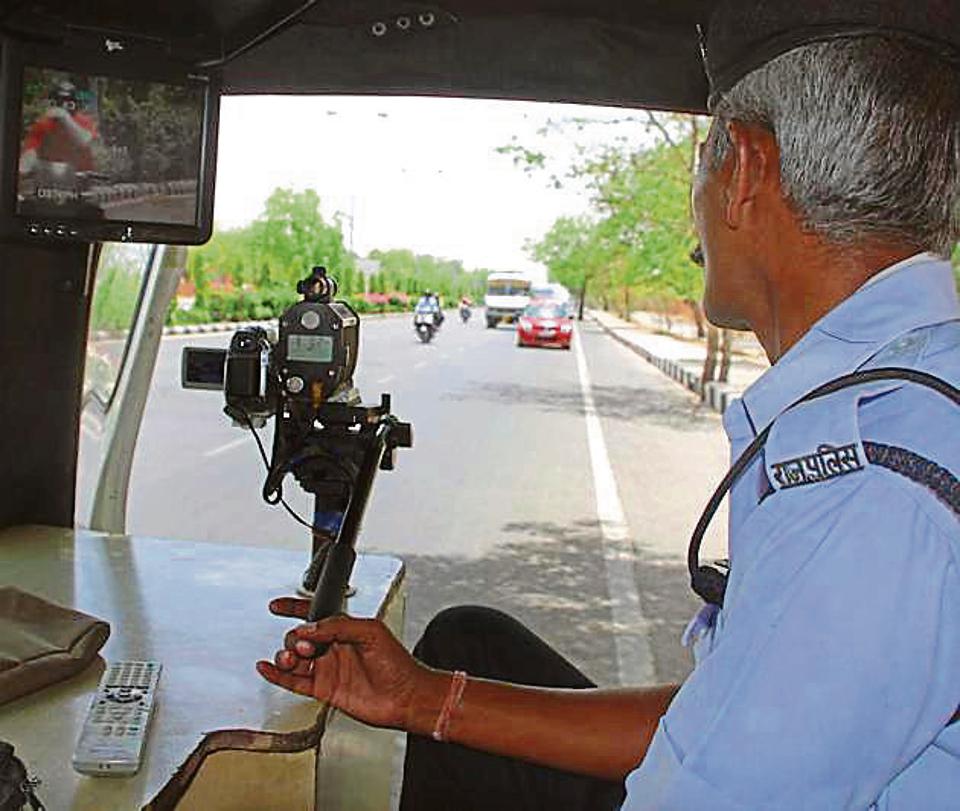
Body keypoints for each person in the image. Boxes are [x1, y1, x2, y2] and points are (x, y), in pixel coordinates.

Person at [258, 2, 960, 808]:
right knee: (469, 642)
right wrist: (420, 697)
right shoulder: (905, 393)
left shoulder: (872, 473)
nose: (693, 224)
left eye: (703, 160)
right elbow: (730, 716)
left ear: (745, 169)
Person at [19, 80, 98, 177]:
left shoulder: (84, 121)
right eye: (59, 101)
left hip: (82, 176)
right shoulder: (43, 124)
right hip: (50, 175)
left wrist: (65, 118)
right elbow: (27, 158)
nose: (63, 105)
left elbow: (86, 141)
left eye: (68, 101)